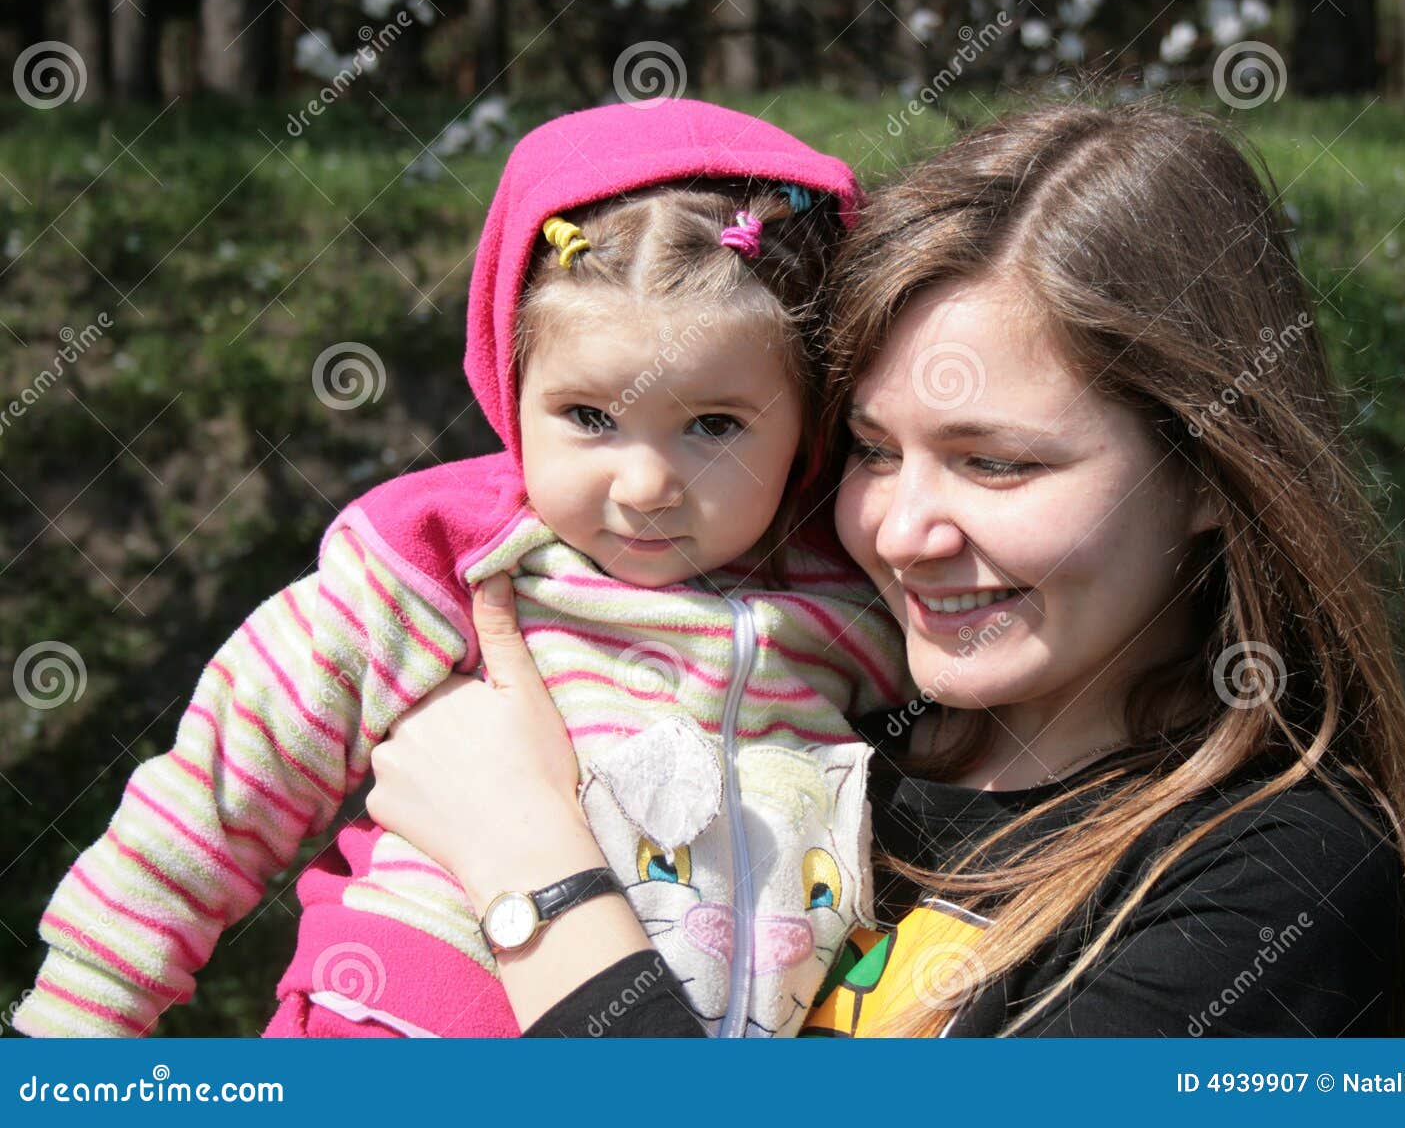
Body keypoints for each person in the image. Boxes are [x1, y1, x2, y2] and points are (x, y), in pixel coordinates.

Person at [365, 97, 1405, 1037]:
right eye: (871, 449)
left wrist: (532, 875)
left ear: (1205, 472)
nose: (902, 531)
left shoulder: (1277, 883)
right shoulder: (823, 724)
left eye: (995, 463)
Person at [13, 100, 912, 1039]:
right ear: (510, 387)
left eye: (716, 426)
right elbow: (231, 776)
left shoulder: (855, 597)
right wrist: (84, 1016)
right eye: (590, 418)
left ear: (809, 421)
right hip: (408, 1021)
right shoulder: (448, 561)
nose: (647, 484)